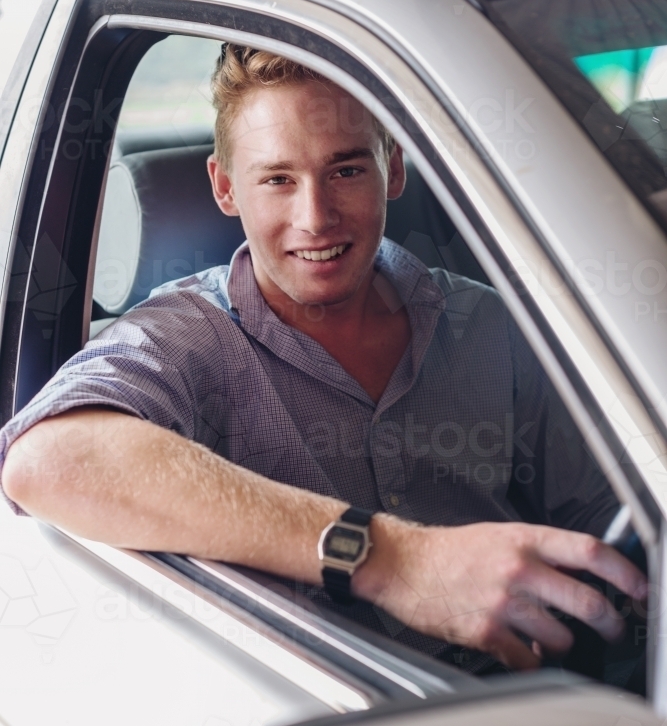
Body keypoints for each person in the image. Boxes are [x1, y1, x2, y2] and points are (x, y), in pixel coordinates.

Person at [0, 45, 646, 673]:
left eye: (344, 171)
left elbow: (605, 520)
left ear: (391, 168)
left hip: (545, 697)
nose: (315, 217)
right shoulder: (186, 338)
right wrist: (395, 560)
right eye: (277, 180)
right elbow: (45, 460)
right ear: (225, 188)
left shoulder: (490, 323)